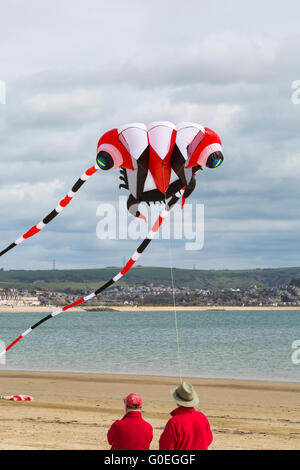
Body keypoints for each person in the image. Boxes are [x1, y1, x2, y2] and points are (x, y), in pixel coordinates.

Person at [159, 381, 213, 450]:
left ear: (177, 401)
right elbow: (209, 439)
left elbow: (165, 447)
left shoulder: (174, 422)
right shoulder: (202, 417)